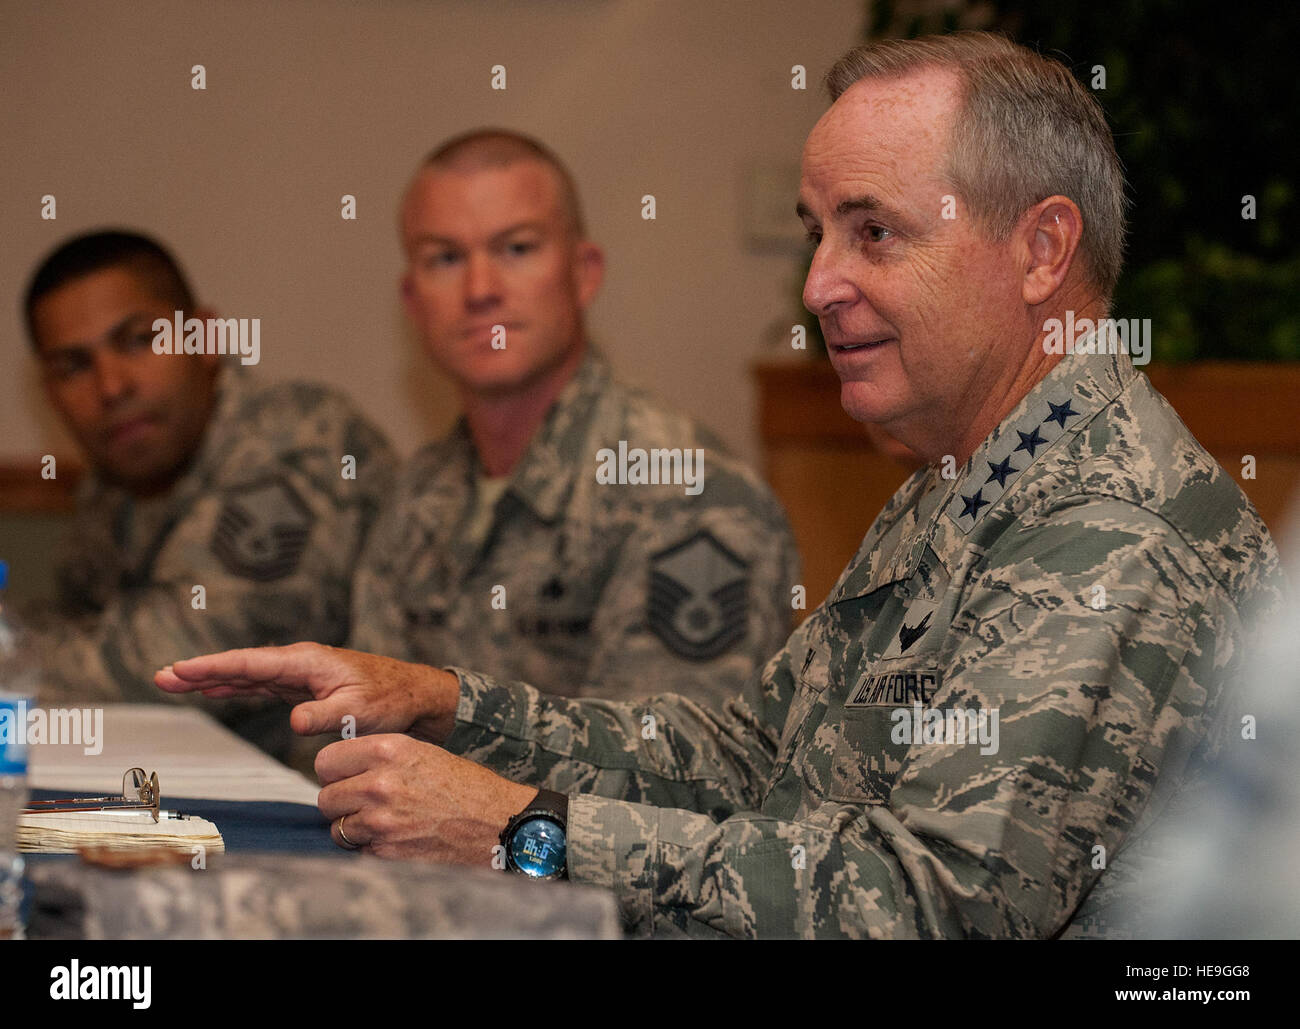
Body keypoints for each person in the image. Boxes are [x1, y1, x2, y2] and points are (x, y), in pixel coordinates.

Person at [157, 33, 1285, 937]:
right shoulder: (976, 472)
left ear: (1041, 251)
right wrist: (456, 705)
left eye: (874, 233)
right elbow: (758, 758)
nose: (818, 284)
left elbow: (931, 906)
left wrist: (521, 832)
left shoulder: (1106, 527)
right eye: (816, 234)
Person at [347, 130, 799, 709]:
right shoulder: (417, 496)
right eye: (446, 258)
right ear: (413, 301)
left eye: (517, 249)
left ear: (584, 272)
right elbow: (361, 728)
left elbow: (671, 776)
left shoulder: (685, 490)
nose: (480, 290)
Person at [23, 230, 396, 759]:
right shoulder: (116, 483)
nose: (110, 387)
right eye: (74, 367)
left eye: (139, 339)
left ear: (202, 338)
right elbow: (78, 635)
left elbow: (183, 665)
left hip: (348, 812)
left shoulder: (300, 440)